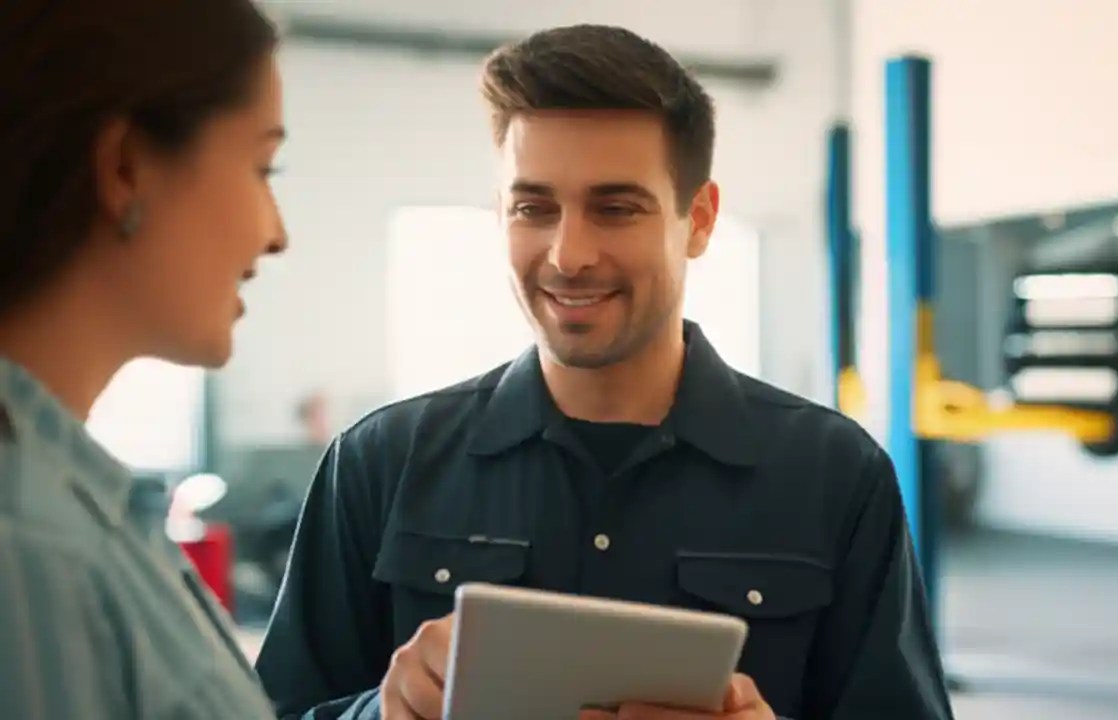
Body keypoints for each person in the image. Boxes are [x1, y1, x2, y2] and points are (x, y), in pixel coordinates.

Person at [255, 24, 953, 720]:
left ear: (699, 220)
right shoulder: (381, 464)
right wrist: (380, 714)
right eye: (534, 207)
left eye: (616, 209)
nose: (568, 254)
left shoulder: (833, 475)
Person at [0, 1, 288, 717]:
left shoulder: (77, 505)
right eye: (263, 166)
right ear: (125, 167)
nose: (276, 233)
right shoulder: (33, 551)